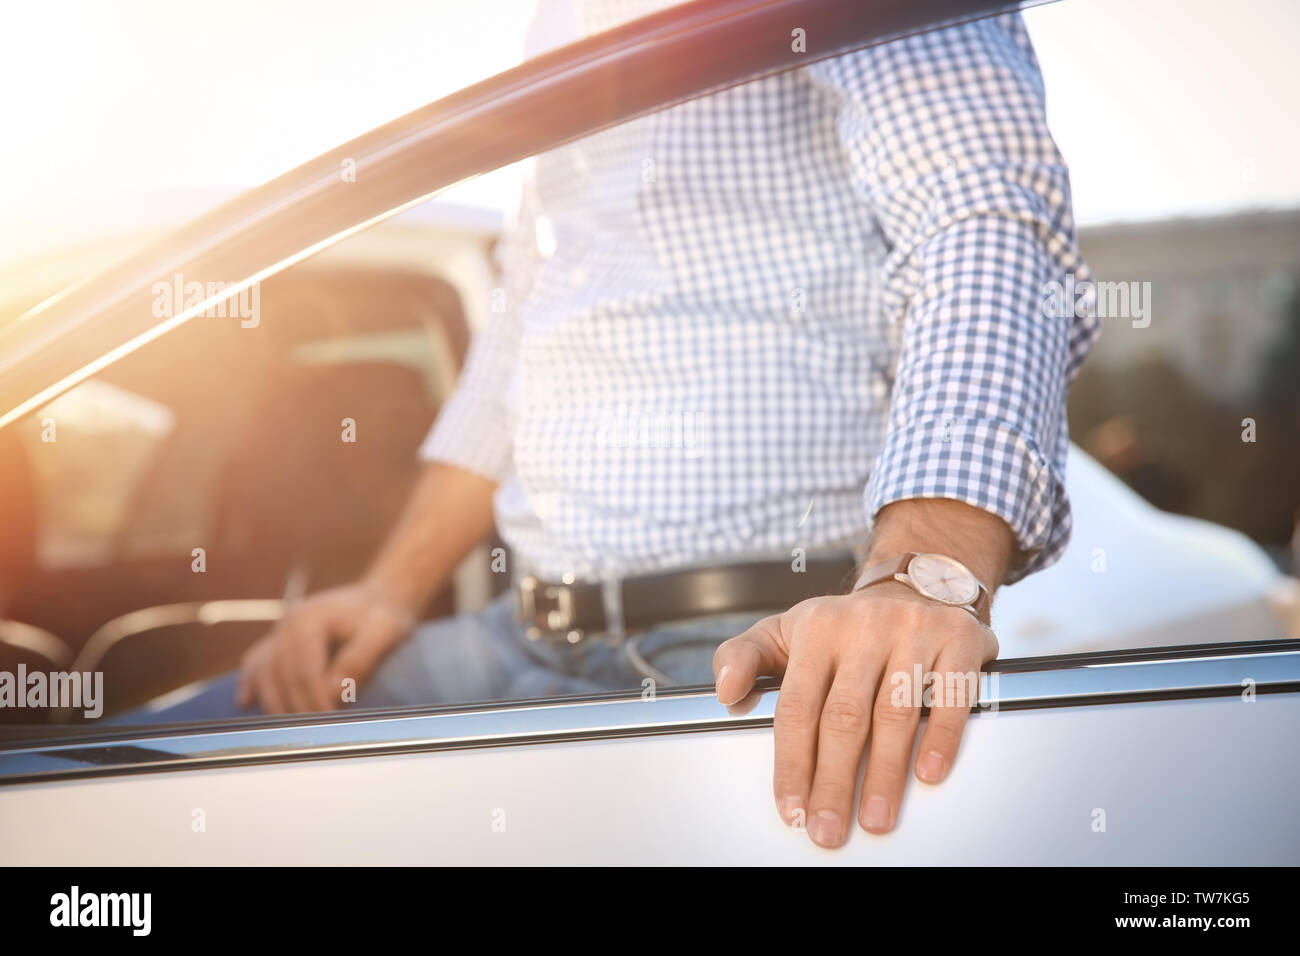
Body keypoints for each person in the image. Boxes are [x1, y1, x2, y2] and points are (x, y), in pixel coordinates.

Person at [148, 3, 1099, 850]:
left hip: (747, 648)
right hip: (518, 639)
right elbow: (523, 329)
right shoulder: (555, 26)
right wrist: (390, 593)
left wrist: (925, 573)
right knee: (155, 779)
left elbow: (979, 211)